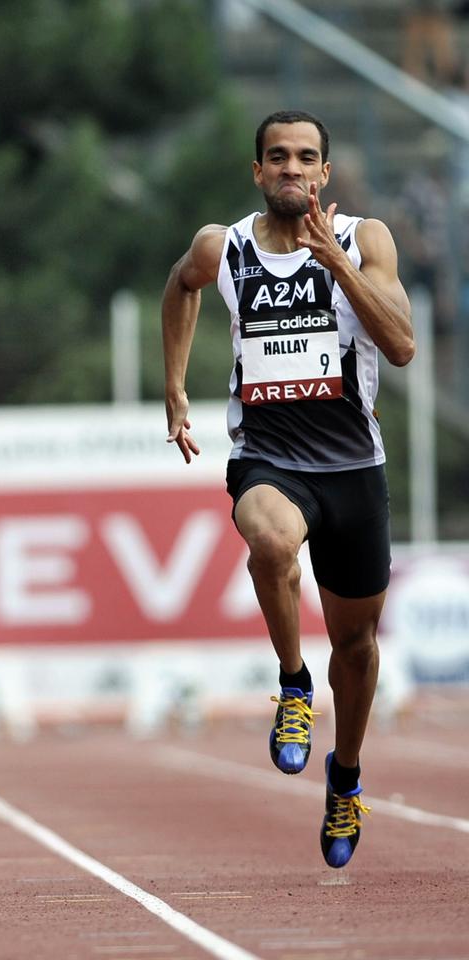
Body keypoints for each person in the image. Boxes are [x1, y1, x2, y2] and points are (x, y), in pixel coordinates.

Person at [161, 110, 414, 868]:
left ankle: (346, 775)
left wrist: (336, 262)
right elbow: (180, 286)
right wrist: (173, 391)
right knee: (270, 539)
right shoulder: (226, 246)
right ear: (258, 171)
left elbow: (400, 345)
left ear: (325, 174)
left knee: (359, 645)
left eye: (306, 158)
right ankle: (294, 685)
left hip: (351, 468)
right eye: (277, 158)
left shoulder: (366, 238)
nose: (292, 169)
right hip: (269, 457)